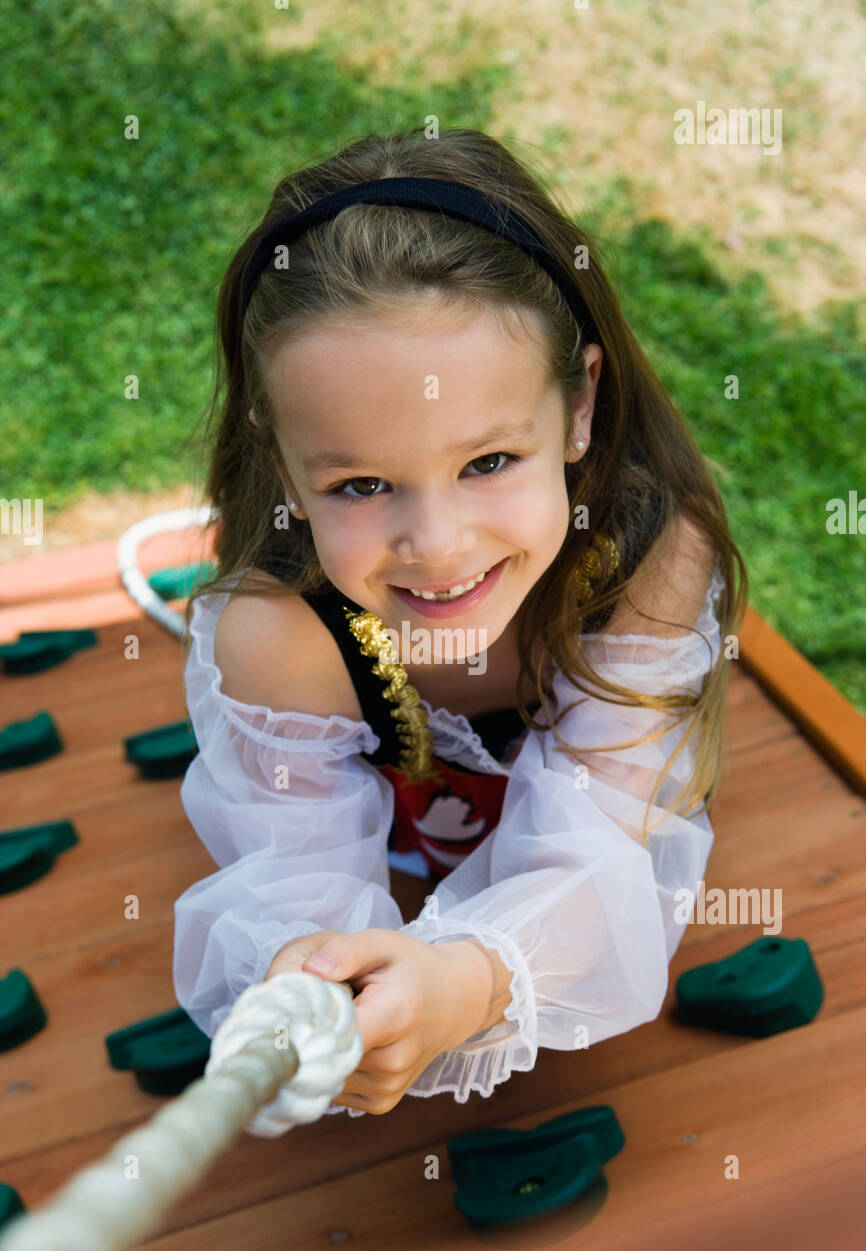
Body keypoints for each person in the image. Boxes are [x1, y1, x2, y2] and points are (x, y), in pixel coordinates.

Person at [172, 126, 747, 1127]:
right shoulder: (281, 633)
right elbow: (291, 881)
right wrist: (320, 984)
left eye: (487, 462)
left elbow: (607, 850)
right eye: (359, 483)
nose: (435, 546)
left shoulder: (646, 560)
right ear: (284, 460)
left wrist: (468, 983)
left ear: (577, 407)